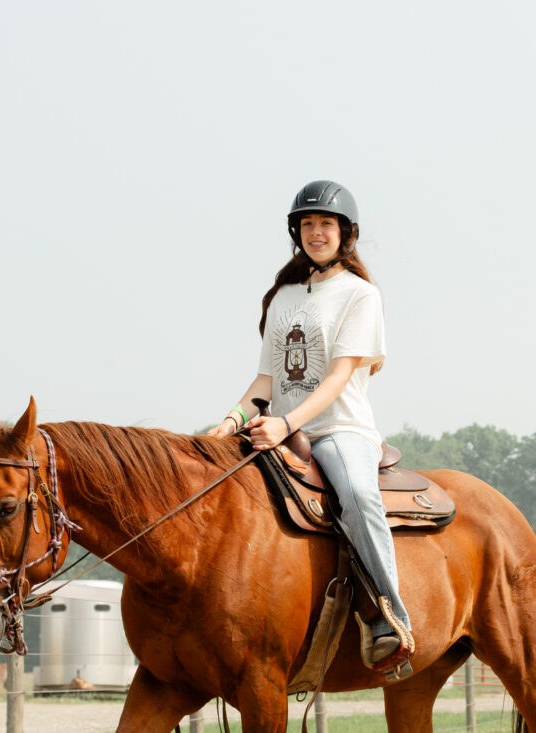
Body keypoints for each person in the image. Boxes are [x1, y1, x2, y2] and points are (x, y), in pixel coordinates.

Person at [208, 179, 411, 664]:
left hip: (340, 430)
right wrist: (230, 422)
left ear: (346, 233)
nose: (316, 232)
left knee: (358, 495)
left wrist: (285, 424)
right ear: (296, 232)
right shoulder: (281, 296)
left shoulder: (360, 295)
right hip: (281, 429)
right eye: (307, 224)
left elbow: (339, 376)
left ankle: (390, 616)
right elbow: (266, 380)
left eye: (325, 223)